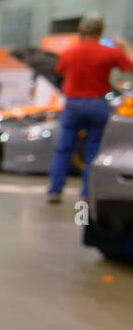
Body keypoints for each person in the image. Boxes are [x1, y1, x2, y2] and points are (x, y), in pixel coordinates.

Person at [46, 13, 133, 204]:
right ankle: (87, 194)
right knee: (93, 151)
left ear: (80, 30)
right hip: (97, 105)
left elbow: (59, 70)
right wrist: (125, 46)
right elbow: (130, 66)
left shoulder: (70, 53)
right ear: (100, 31)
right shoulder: (109, 52)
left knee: (63, 149)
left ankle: (55, 191)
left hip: (73, 104)